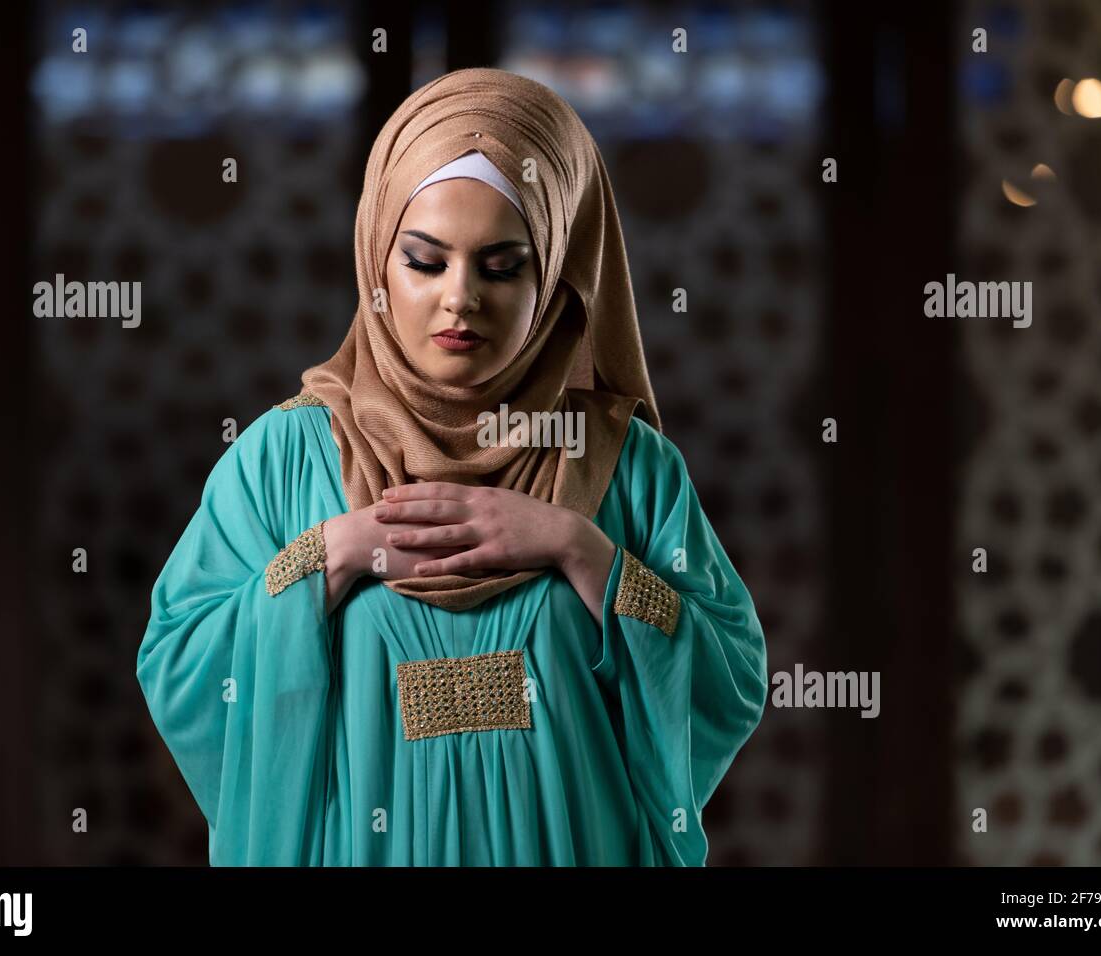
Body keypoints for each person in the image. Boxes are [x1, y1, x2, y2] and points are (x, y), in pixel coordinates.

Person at [136, 67, 767, 866]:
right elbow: (184, 669)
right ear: (377, 261)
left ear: (559, 275)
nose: (460, 299)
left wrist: (581, 550)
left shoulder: (623, 465)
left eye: (503, 267)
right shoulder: (282, 460)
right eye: (425, 261)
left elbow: (730, 678)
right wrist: (329, 557)